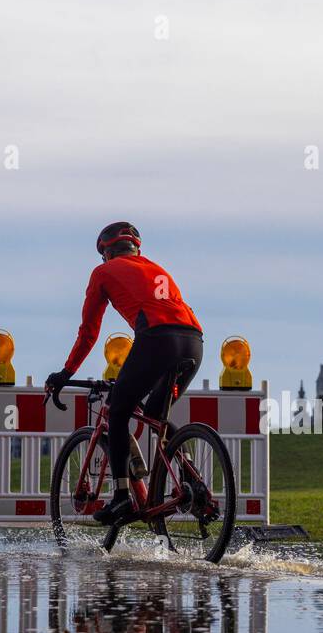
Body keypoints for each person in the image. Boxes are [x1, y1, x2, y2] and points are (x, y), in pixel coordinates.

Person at [45, 222, 204, 527]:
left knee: (117, 413)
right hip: (194, 342)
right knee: (157, 413)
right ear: (136, 248)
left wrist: (66, 372)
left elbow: (89, 332)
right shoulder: (157, 268)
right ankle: (192, 482)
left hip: (158, 339)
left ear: (105, 252)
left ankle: (120, 498)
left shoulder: (103, 272)